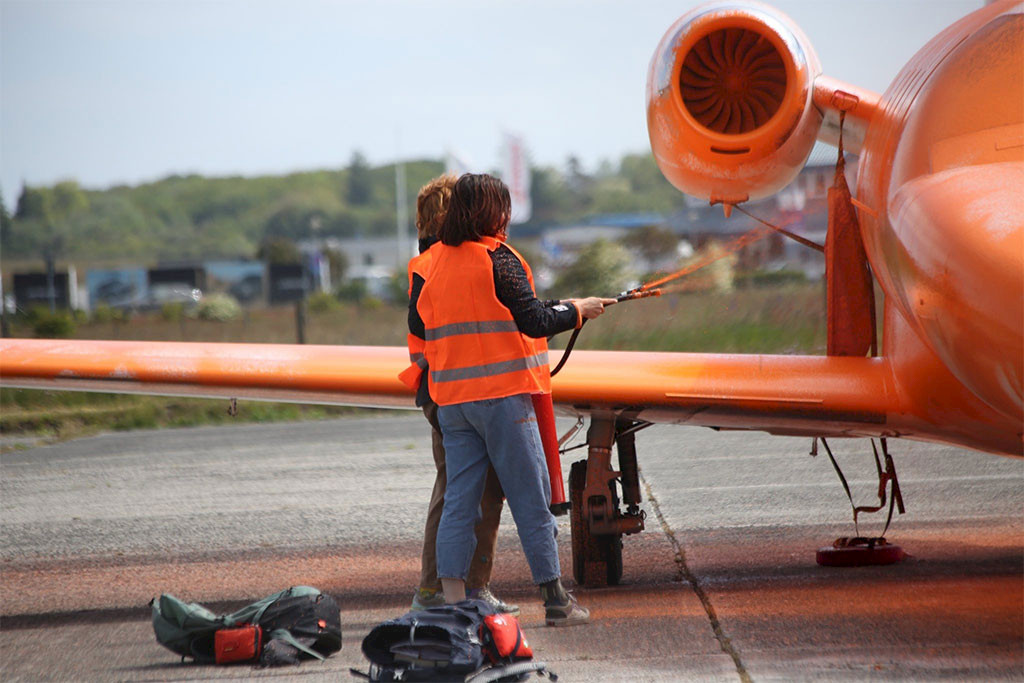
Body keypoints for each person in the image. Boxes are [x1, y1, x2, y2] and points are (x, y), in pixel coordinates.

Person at [416, 173, 614, 627]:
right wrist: (576, 310)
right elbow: (533, 319)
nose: (506, 218)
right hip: (503, 400)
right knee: (532, 501)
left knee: (459, 503)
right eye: (503, 209)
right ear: (491, 212)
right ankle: (556, 600)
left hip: (453, 404)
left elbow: (422, 321)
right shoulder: (498, 258)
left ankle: (453, 604)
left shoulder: (428, 265)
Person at [400, 175, 517, 615]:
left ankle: (458, 587)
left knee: (468, 487)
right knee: (463, 489)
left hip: (446, 388)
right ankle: (444, 590)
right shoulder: (441, 264)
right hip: (453, 390)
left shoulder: (429, 263)